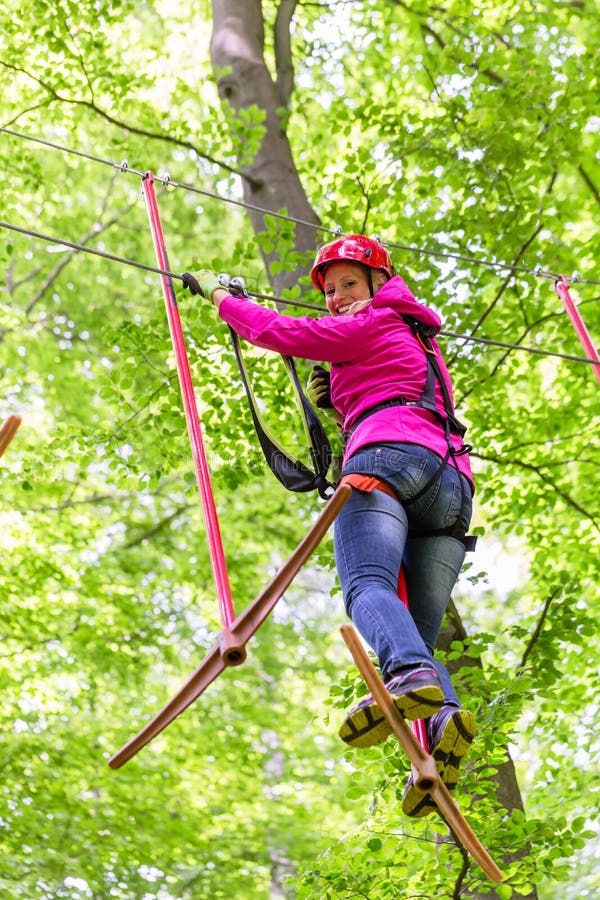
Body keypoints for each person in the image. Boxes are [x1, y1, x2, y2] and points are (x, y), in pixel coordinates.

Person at [184, 234, 476, 817]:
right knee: (407, 632)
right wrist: (340, 400)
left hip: (389, 461)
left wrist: (220, 297)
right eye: (332, 290)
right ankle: (443, 722)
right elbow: (391, 384)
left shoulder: (375, 319)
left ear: (378, 284)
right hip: (451, 489)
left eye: (350, 285)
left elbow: (281, 333)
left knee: (366, 587)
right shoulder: (418, 336)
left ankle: (412, 675)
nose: (340, 298)